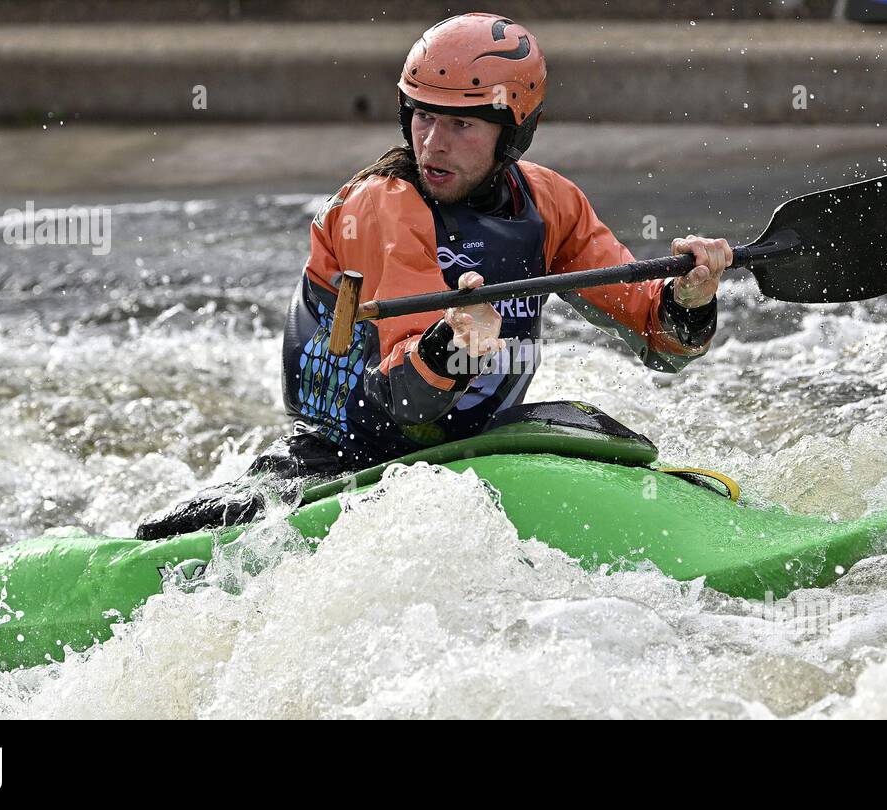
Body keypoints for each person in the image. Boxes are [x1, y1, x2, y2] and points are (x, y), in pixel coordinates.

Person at [136, 12, 732, 540]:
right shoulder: (382, 206)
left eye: (461, 126)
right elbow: (400, 399)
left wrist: (689, 297)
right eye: (423, 116)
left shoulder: (551, 203)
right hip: (345, 453)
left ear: (514, 132)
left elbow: (662, 341)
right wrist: (452, 346)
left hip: (480, 440)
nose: (432, 144)